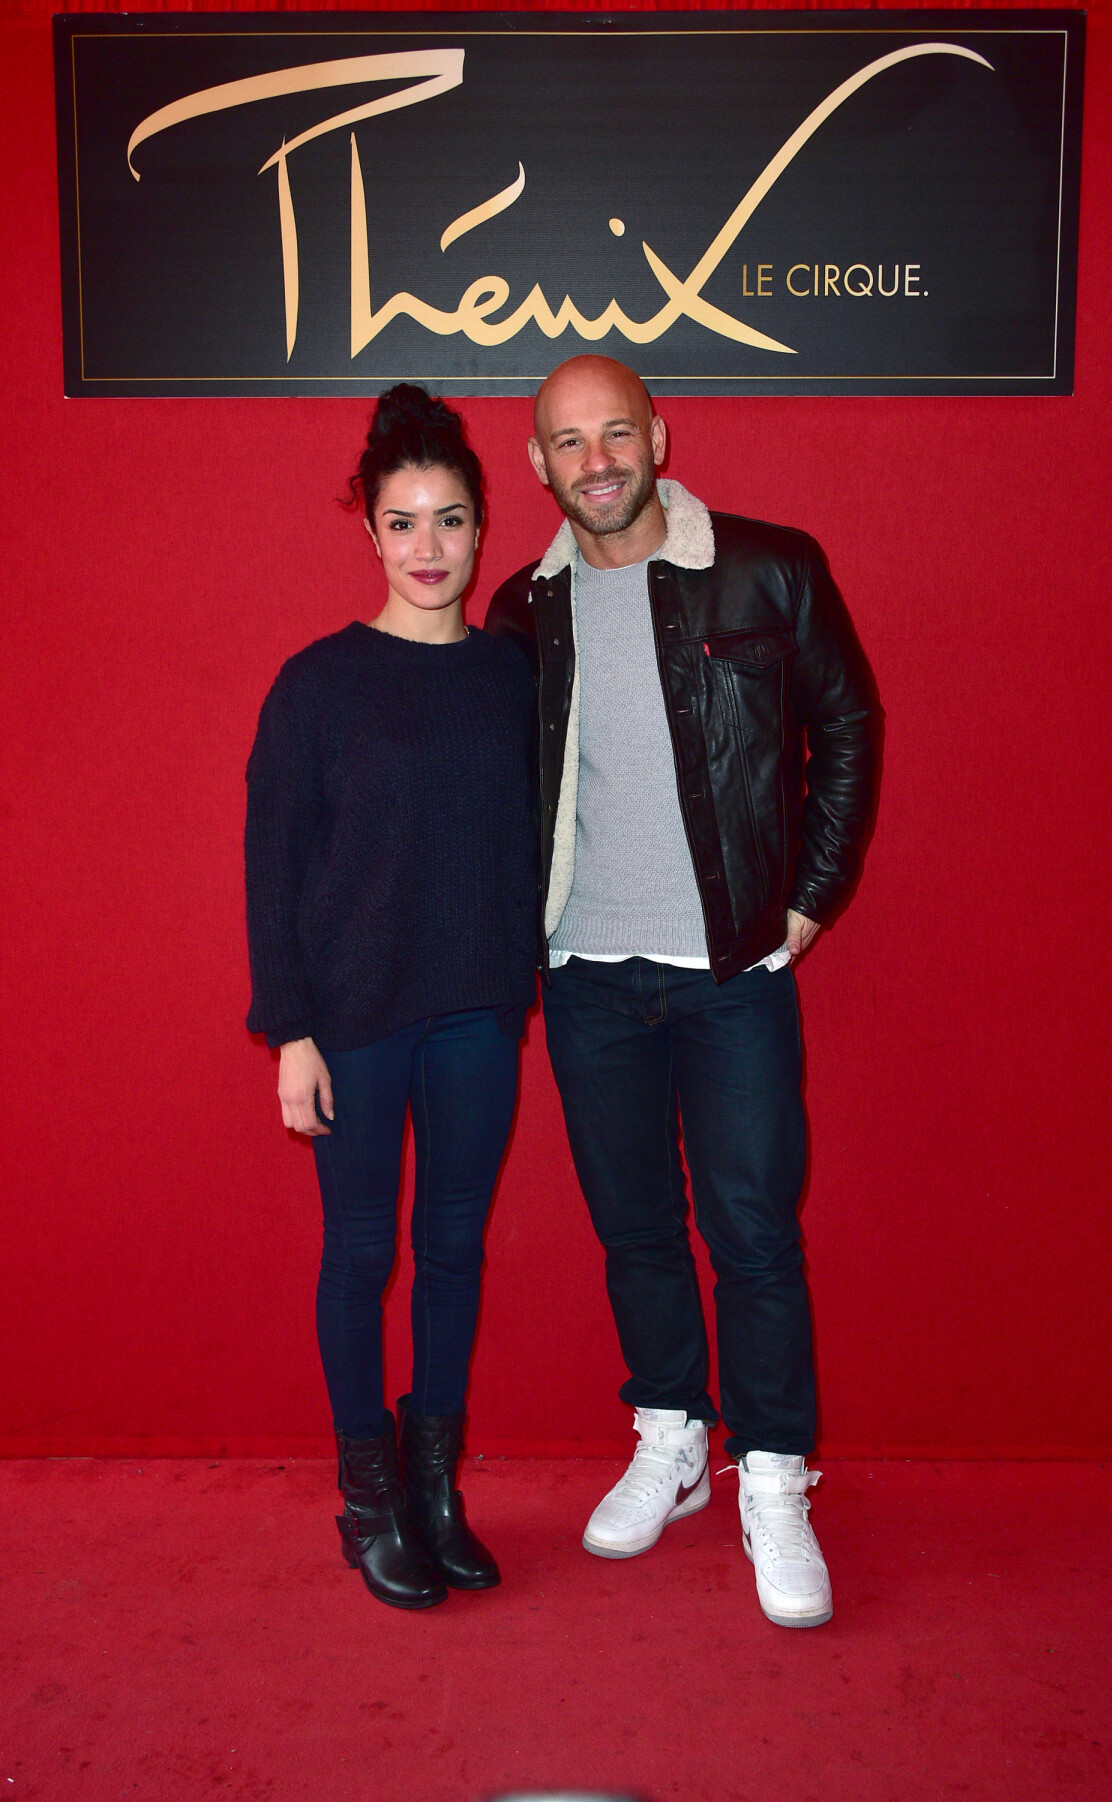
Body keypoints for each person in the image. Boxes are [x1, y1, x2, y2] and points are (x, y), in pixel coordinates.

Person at [487, 355, 879, 1630]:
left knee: (754, 1231)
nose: (596, 461)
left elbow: (848, 724)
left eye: (616, 432)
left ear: (658, 435)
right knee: (637, 1226)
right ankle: (671, 1433)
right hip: (587, 975)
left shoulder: (770, 568)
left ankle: (772, 1471)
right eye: (568, 441)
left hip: (729, 973)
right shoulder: (524, 609)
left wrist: (809, 898)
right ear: (538, 463)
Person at [245, 385, 538, 1611]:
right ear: (369, 528)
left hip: (478, 1010)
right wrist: (290, 1032)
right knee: (362, 1253)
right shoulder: (316, 685)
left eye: (450, 520)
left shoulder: (515, 675)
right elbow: (272, 864)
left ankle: (434, 1487)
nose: (428, 547)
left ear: (481, 528)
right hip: (355, 1018)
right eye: (403, 521)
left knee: (453, 1248)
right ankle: (369, 1500)